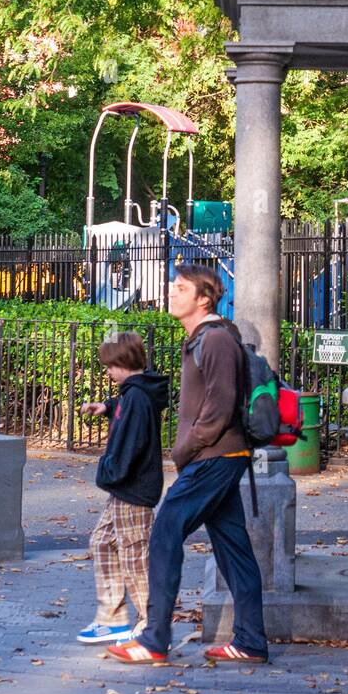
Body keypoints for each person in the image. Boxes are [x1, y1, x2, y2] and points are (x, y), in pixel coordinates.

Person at [106, 266, 269, 665]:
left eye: (180, 288)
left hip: (212, 458)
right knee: (235, 552)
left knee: (165, 533)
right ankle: (250, 642)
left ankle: (154, 639)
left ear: (203, 298)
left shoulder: (214, 341)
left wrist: (183, 450)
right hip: (220, 458)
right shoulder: (207, 338)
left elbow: (219, 408)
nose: (171, 292)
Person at [79, 333, 169, 645]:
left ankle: (149, 624)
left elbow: (131, 445)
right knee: (102, 542)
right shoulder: (135, 393)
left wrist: (109, 472)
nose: (107, 372)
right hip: (127, 488)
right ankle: (113, 617)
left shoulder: (137, 399)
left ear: (123, 364)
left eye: (110, 366)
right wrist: (105, 406)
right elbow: (126, 406)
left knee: (134, 557)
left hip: (133, 488)